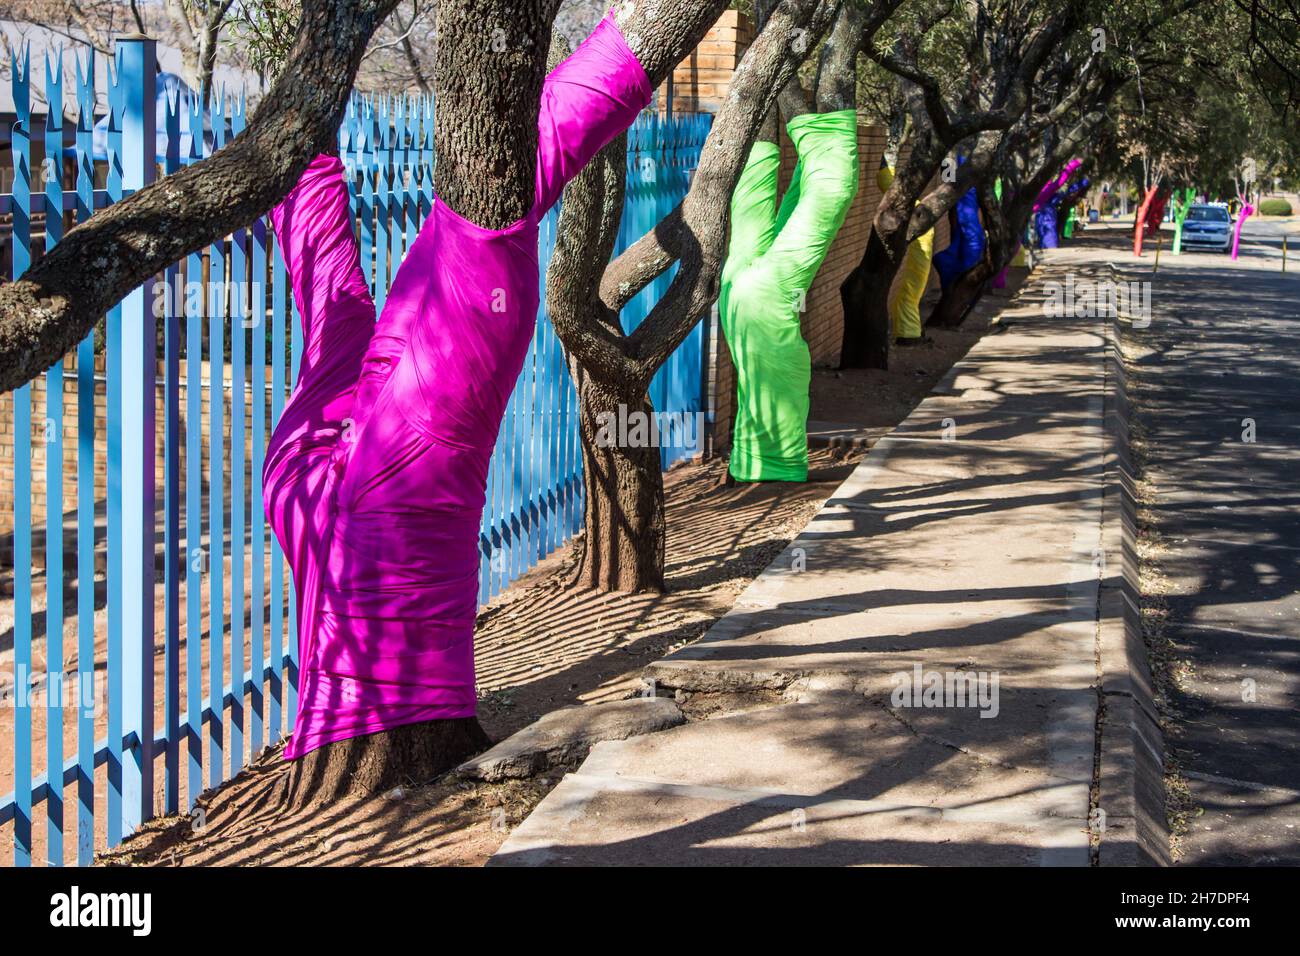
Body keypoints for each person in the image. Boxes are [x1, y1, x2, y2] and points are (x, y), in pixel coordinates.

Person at [264, 13, 653, 760]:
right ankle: (299, 143)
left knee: (339, 309)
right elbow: (551, 131)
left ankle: (299, 144)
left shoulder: (479, 252)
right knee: (342, 307)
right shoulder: (481, 249)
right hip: (367, 444)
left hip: (373, 436)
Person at [719, 108, 858, 483]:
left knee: (777, 194)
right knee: (758, 193)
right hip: (749, 293)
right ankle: (768, 463)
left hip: (751, 299)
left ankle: (762, 462)